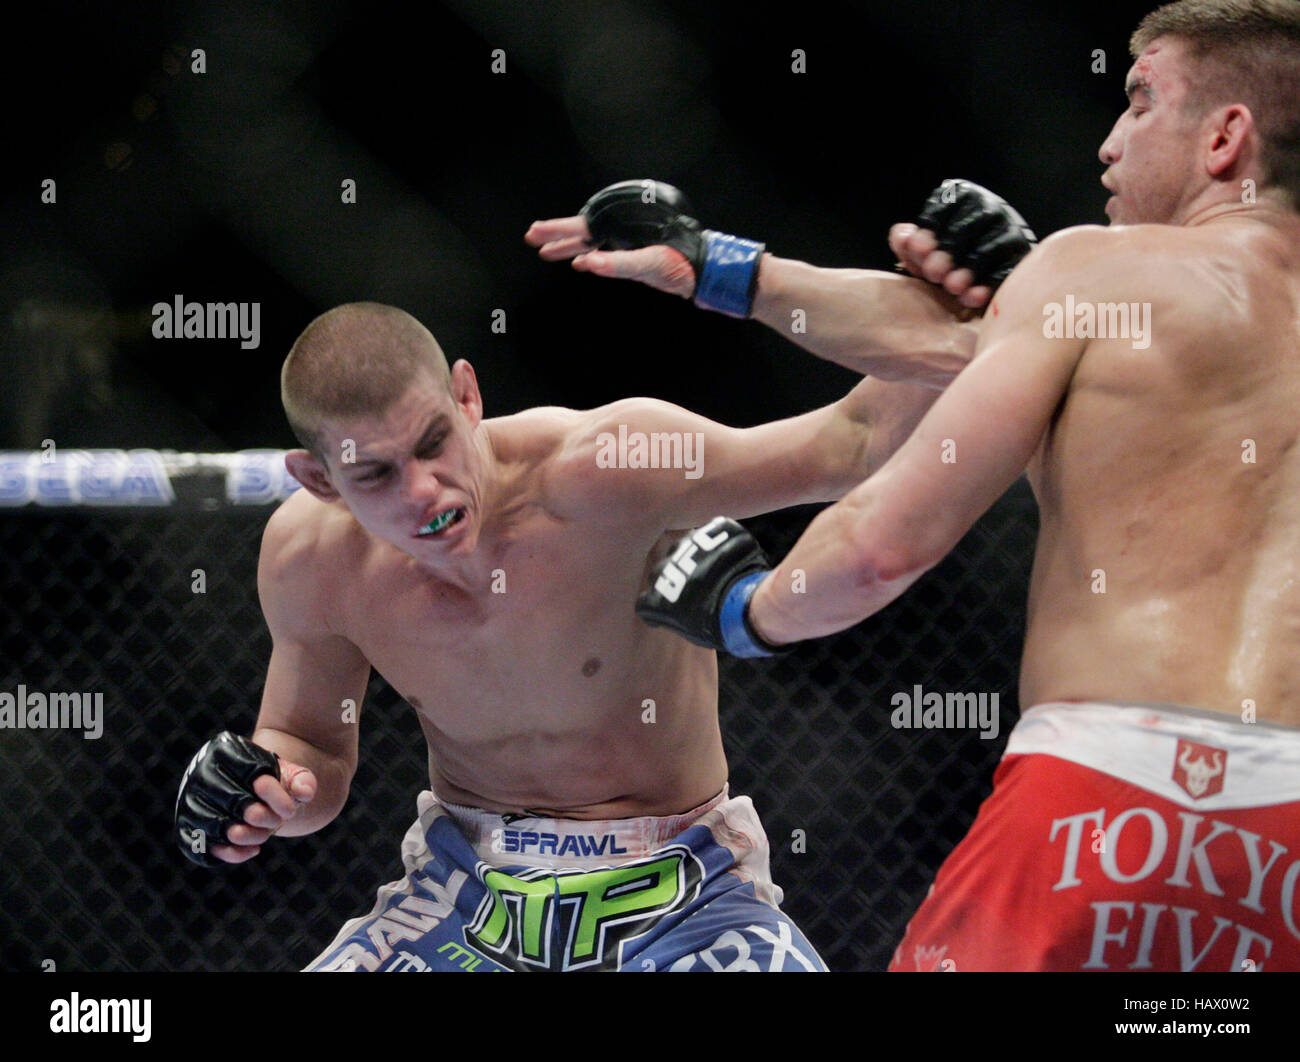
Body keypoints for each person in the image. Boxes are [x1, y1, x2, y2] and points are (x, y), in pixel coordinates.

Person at [620, 0, 1300, 972]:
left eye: (1142, 100)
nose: (1108, 142)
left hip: (1100, 791)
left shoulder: (1091, 274)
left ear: (1225, 137)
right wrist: (732, 270)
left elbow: (881, 545)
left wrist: (743, 610)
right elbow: (953, 340)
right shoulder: (1084, 291)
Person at [172, 239, 1012, 971]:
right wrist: (266, 792)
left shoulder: (608, 468)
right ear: (319, 480)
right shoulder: (309, 558)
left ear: (468, 396)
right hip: (468, 890)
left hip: (682, 884)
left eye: (433, 442)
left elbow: (853, 440)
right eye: (376, 475)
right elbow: (313, 751)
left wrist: (970, 304)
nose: (425, 489)